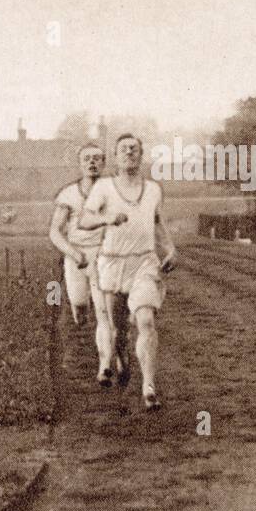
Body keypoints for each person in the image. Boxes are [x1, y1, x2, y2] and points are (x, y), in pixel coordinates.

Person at [79, 134, 177, 410]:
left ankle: (149, 387)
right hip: (112, 263)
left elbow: (158, 224)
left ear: (141, 155)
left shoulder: (154, 189)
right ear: (116, 157)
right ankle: (120, 360)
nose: (130, 153)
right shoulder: (104, 188)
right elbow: (85, 220)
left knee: (145, 320)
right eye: (124, 149)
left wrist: (170, 248)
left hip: (144, 263)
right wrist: (106, 218)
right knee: (118, 331)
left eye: (134, 149)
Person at [48, 142, 116, 385]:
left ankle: (105, 366)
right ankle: (80, 310)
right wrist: (73, 253)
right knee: (79, 304)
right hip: (76, 256)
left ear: (104, 163)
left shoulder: (113, 192)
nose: (92, 162)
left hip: (104, 257)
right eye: (87, 158)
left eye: (97, 158)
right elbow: (55, 232)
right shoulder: (69, 194)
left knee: (103, 312)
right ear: (80, 163)